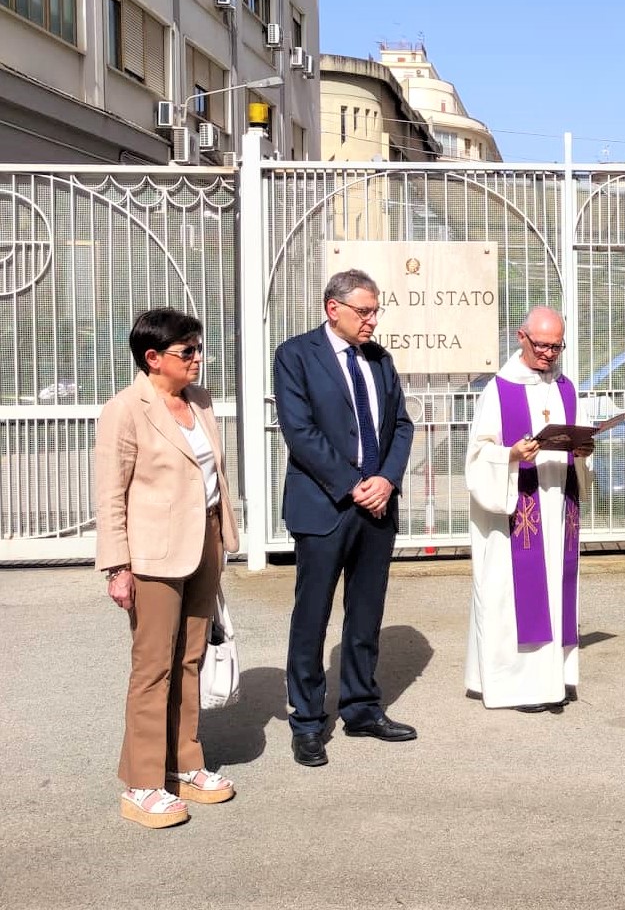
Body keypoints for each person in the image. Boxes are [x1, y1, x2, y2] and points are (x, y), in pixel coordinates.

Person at [95, 308, 239, 828]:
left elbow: (212, 473)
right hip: (152, 553)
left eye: (198, 349)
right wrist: (117, 566)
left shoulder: (199, 401)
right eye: (187, 352)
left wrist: (224, 533)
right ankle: (142, 783)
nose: (197, 359)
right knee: (153, 665)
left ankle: (185, 764)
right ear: (153, 358)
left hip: (203, 541)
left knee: (191, 657)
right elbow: (111, 492)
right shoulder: (125, 410)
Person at [274, 269, 416, 767]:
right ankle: (308, 721)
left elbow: (401, 424)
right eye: (364, 311)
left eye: (376, 311)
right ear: (333, 308)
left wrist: (387, 480)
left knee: (365, 614)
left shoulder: (380, 360)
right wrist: (354, 484)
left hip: (377, 507)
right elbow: (300, 432)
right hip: (325, 507)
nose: (372, 321)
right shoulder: (296, 356)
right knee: (311, 617)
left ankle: (360, 707)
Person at [465, 306, 594, 712]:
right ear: (521, 337)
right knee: (510, 596)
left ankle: (553, 677)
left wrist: (584, 451)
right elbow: (477, 455)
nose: (548, 354)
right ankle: (518, 685)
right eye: (541, 345)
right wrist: (510, 453)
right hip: (516, 510)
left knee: (556, 587)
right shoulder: (498, 391)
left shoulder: (568, 389)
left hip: (558, 509)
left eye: (556, 347)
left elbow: (582, 442)